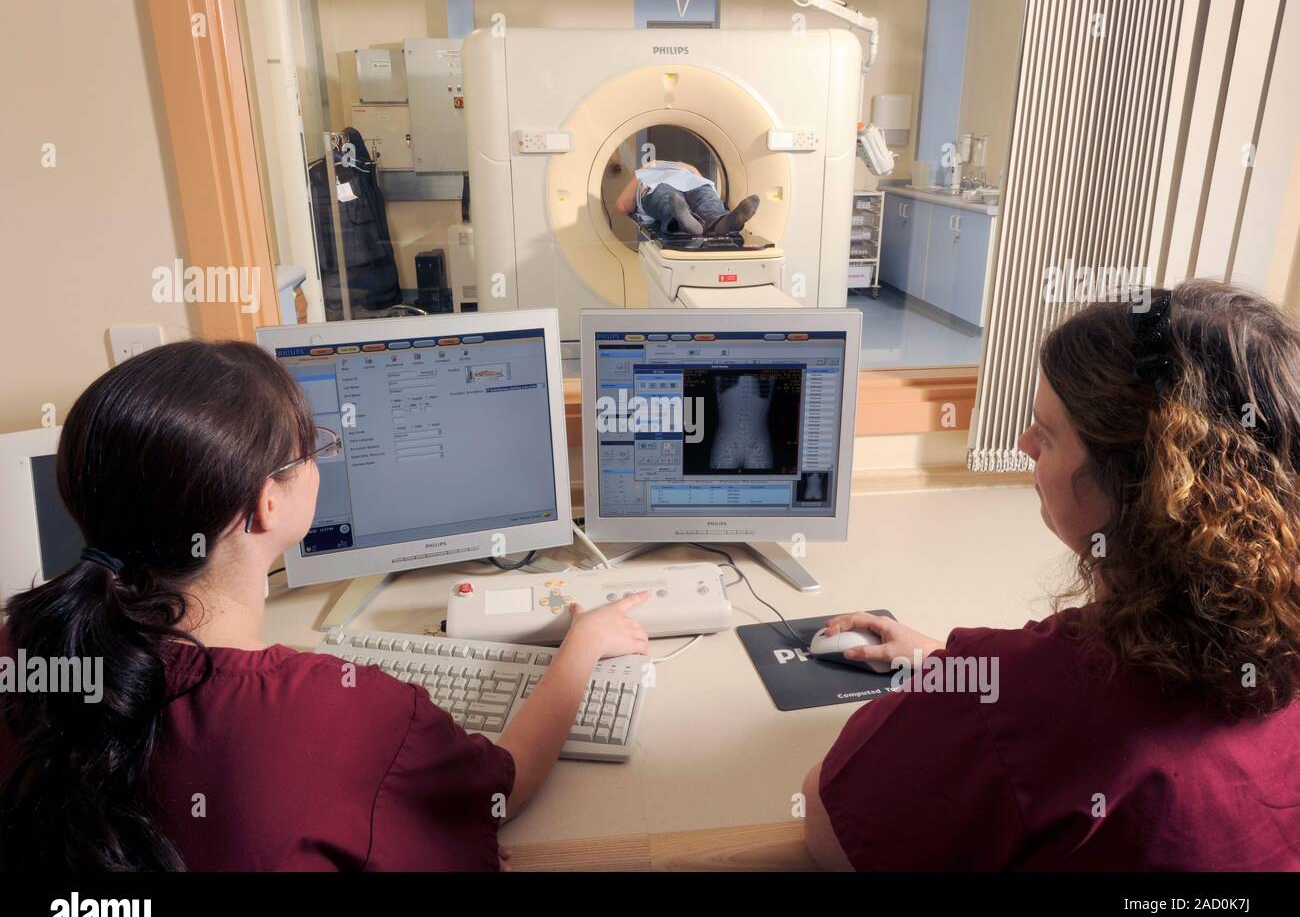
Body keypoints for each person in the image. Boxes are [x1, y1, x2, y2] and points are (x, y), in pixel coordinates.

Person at [0, 341, 650, 871]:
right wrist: (583, 644)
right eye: (309, 450)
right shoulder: (346, 715)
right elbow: (502, 787)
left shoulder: (23, 652)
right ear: (267, 504)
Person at [801, 279, 1300, 870]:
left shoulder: (1017, 711)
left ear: (1138, 484)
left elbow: (826, 828)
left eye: (1049, 432)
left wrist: (982, 694)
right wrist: (960, 670)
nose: (1025, 443)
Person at [615, 158, 759, 237]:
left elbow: (623, 205)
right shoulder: (686, 167)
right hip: (688, 181)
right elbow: (710, 191)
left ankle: (684, 222)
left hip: (659, 185)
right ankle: (721, 221)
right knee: (705, 198)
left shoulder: (648, 167)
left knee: (667, 199)